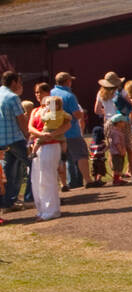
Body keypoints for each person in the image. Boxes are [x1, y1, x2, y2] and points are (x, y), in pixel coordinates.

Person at [26, 93, 68, 221]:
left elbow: (67, 125)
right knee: (36, 178)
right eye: (37, 93)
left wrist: (52, 134)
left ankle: (51, 210)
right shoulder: (35, 111)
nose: (39, 96)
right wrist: (40, 134)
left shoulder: (57, 111)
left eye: (42, 92)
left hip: (51, 145)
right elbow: (30, 127)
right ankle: (42, 209)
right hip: (38, 145)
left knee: (47, 178)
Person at [50, 72, 89, 189]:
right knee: (81, 155)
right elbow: (77, 115)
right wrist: (82, 113)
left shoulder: (51, 94)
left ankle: (64, 183)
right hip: (72, 131)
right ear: (67, 82)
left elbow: (52, 115)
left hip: (57, 131)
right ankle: (88, 180)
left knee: (62, 158)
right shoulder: (69, 95)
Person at [0, 70, 29, 212]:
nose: (20, 84)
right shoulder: (13, 97)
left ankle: (7, 203)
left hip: (2, 140)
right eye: (19, 81)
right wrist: (27, 136)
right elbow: (21, 119)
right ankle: (30, 198)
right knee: (34, 163)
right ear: (13, 82)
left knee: (8, 171)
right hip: (15, 138)